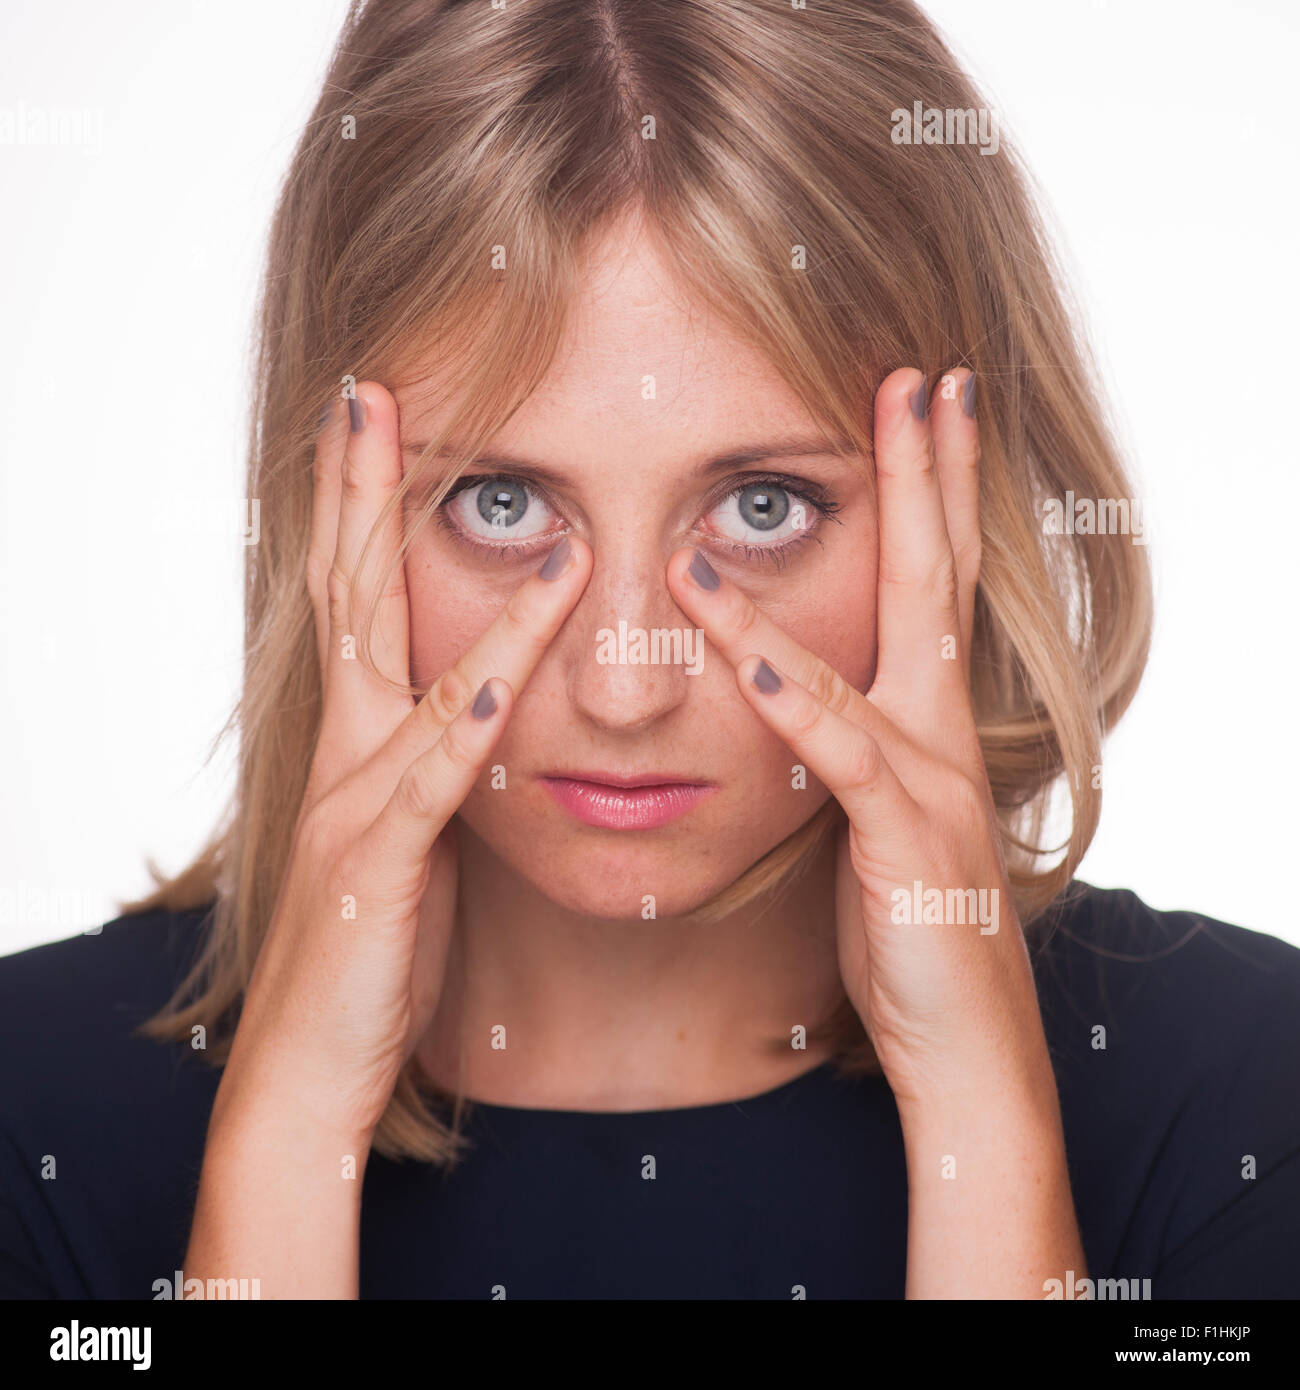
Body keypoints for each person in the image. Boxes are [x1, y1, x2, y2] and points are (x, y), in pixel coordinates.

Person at [2, 0, 1298, 1300]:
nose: (625, 687)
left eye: (763, 506)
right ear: (326, 498)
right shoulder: (30, 1110)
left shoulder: (1252, 1093)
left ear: (958, 501)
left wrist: (981, 1115)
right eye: (499, 504)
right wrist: (284, 1144)